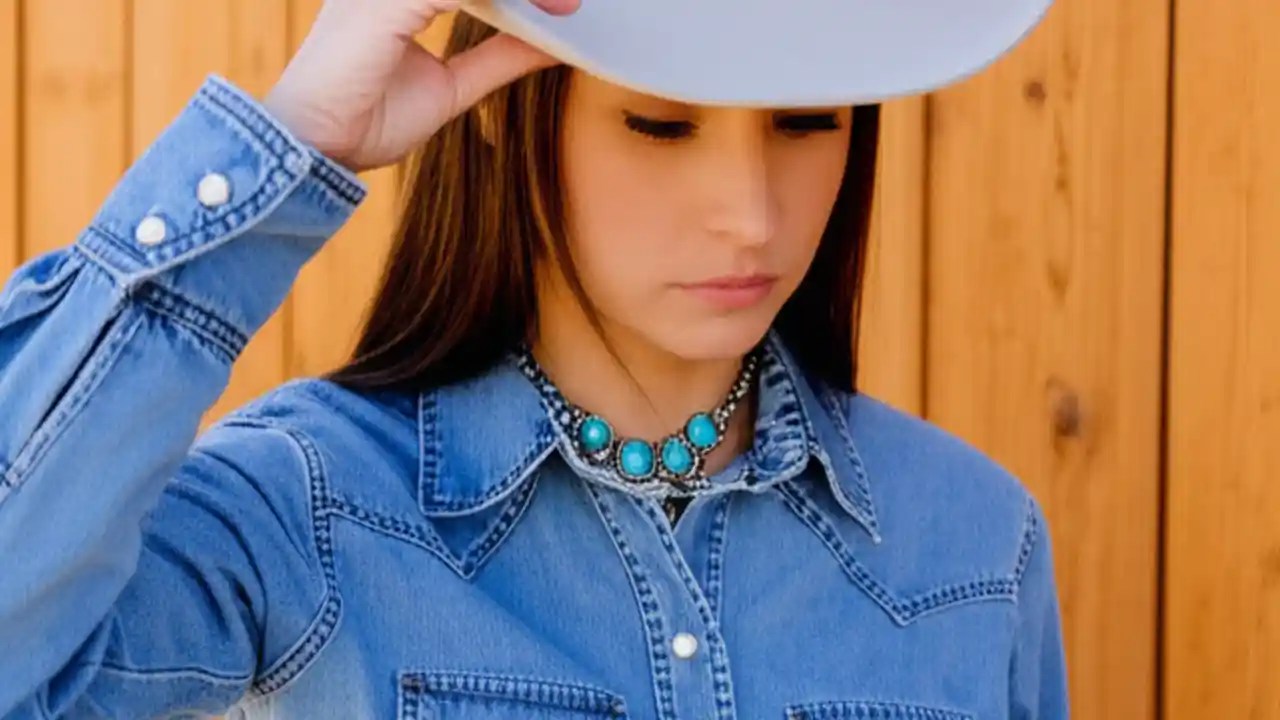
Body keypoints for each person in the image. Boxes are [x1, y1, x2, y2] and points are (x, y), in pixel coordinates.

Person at [0, 0, 1068, 717]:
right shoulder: (305, 510)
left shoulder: (976, 548)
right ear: (506, 110)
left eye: (805, 122)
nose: (750, 214)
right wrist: (298, 141)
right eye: (659, 126)